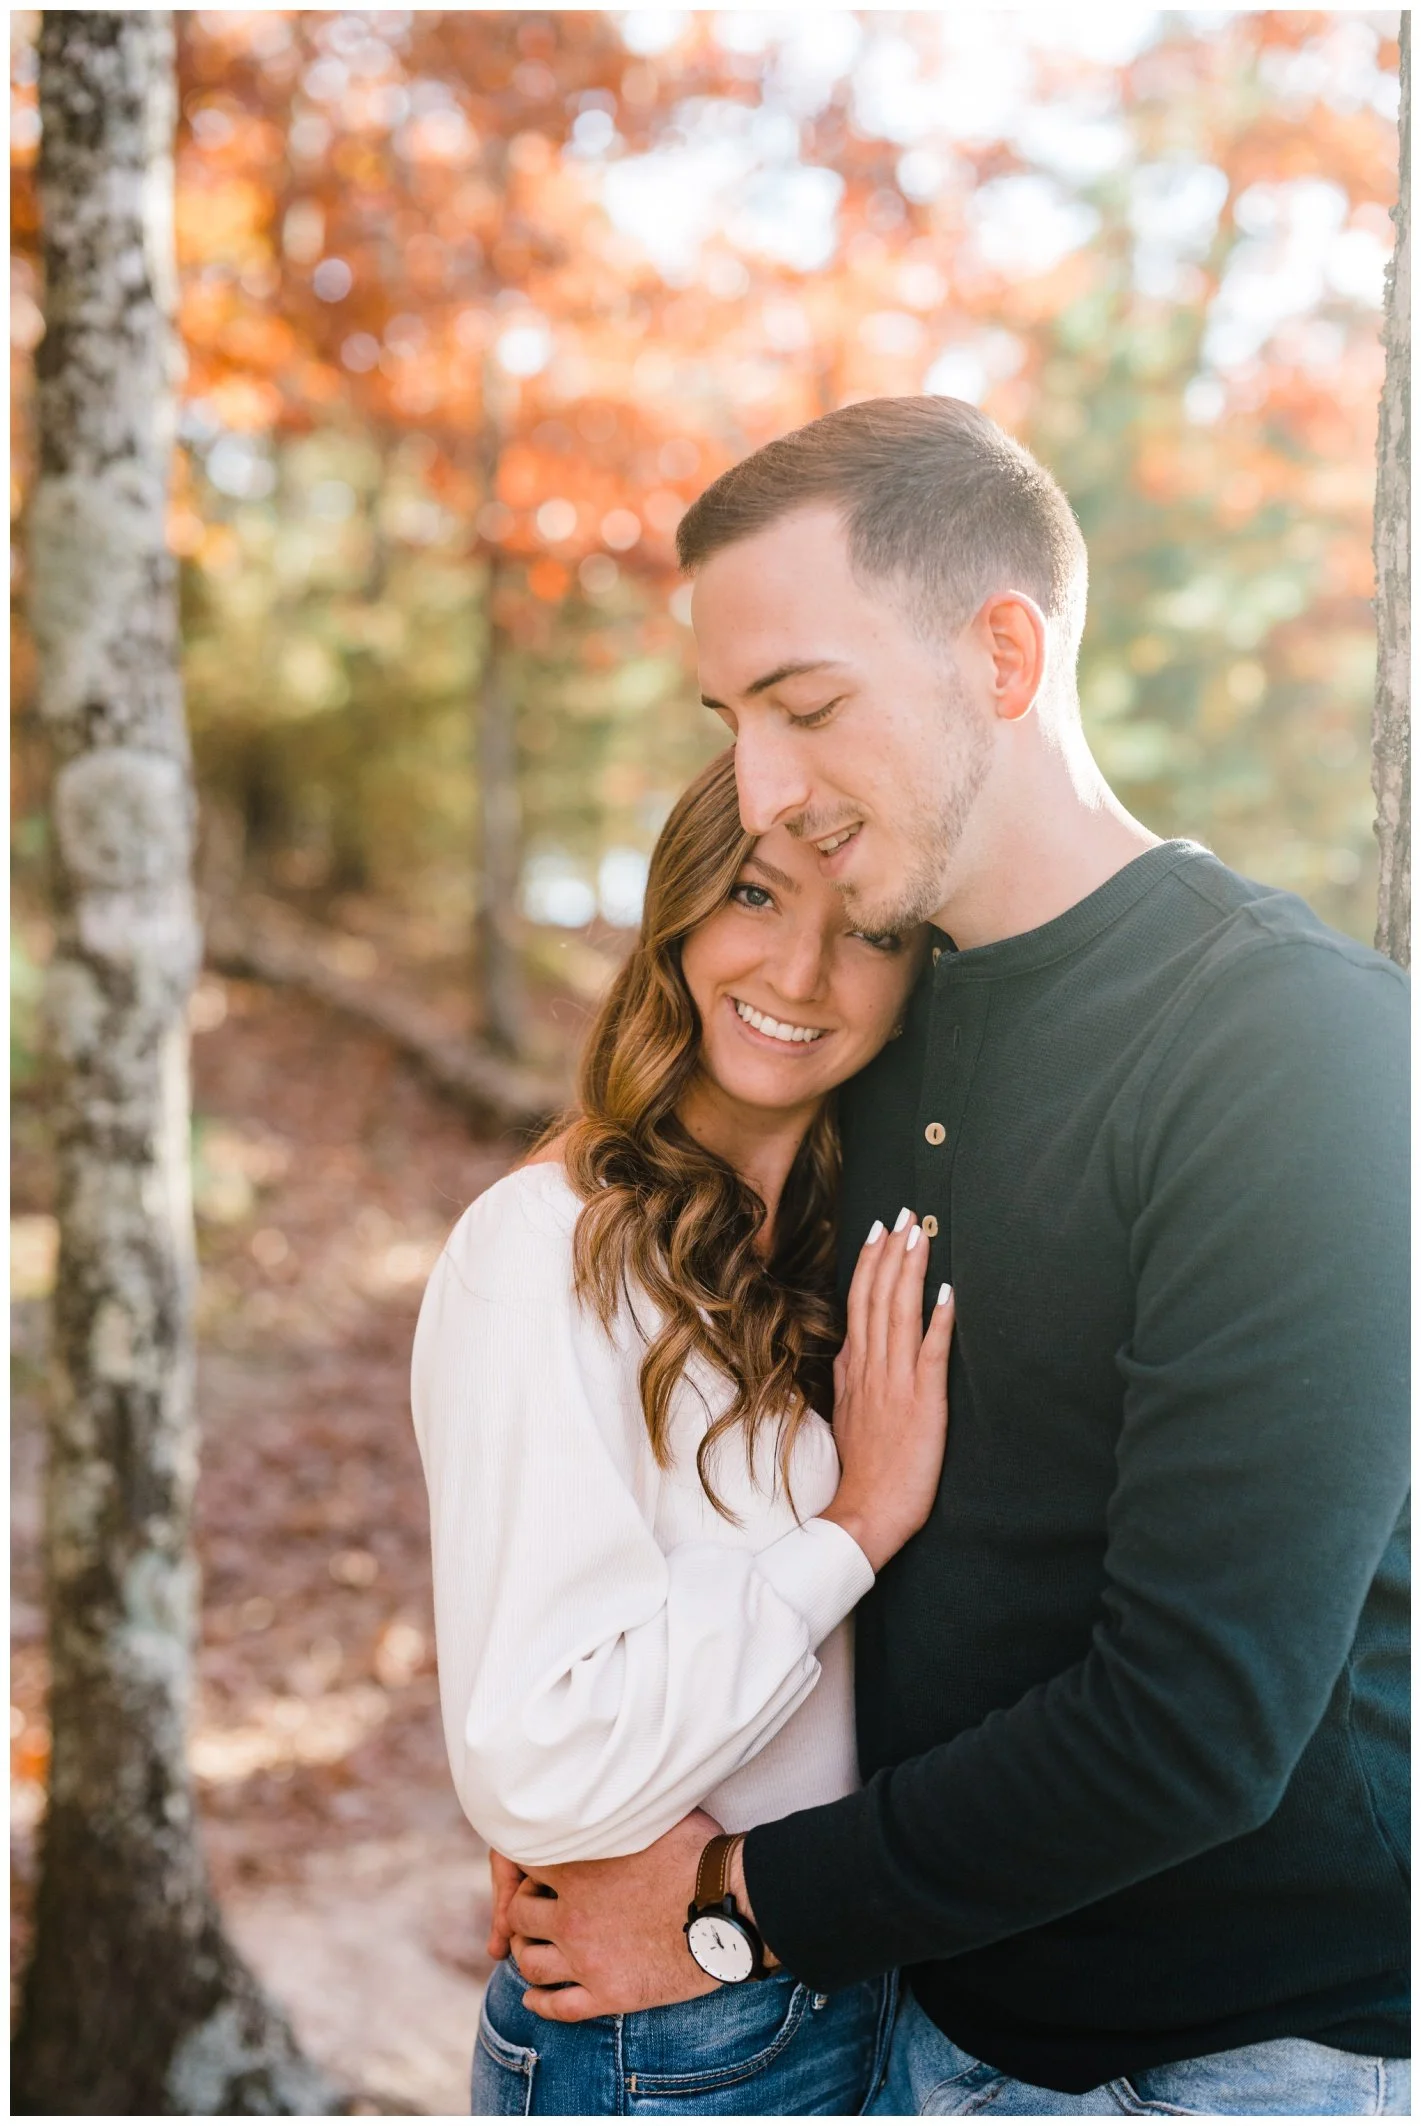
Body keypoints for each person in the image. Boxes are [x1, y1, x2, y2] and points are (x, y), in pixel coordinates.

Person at [486, 396, 1410, 2117]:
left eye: (807, 704)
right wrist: (588, 1808)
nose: (763, 787)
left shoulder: (1298, 1053)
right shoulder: (872, 1035)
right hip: (910, 2021)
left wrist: (711, 1902)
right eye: (732, 716)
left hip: (1237, 2054)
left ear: (1001, 653)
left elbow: (1198, 1719)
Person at [411, 746, 957, 2114]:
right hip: (674, 2038)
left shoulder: (855, 1237)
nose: (799, 972)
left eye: (869, 931)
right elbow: (536, 1751)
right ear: (683, 910)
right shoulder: (547, 1248)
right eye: (760, 897)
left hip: (865, 1983)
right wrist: (855, 1527)